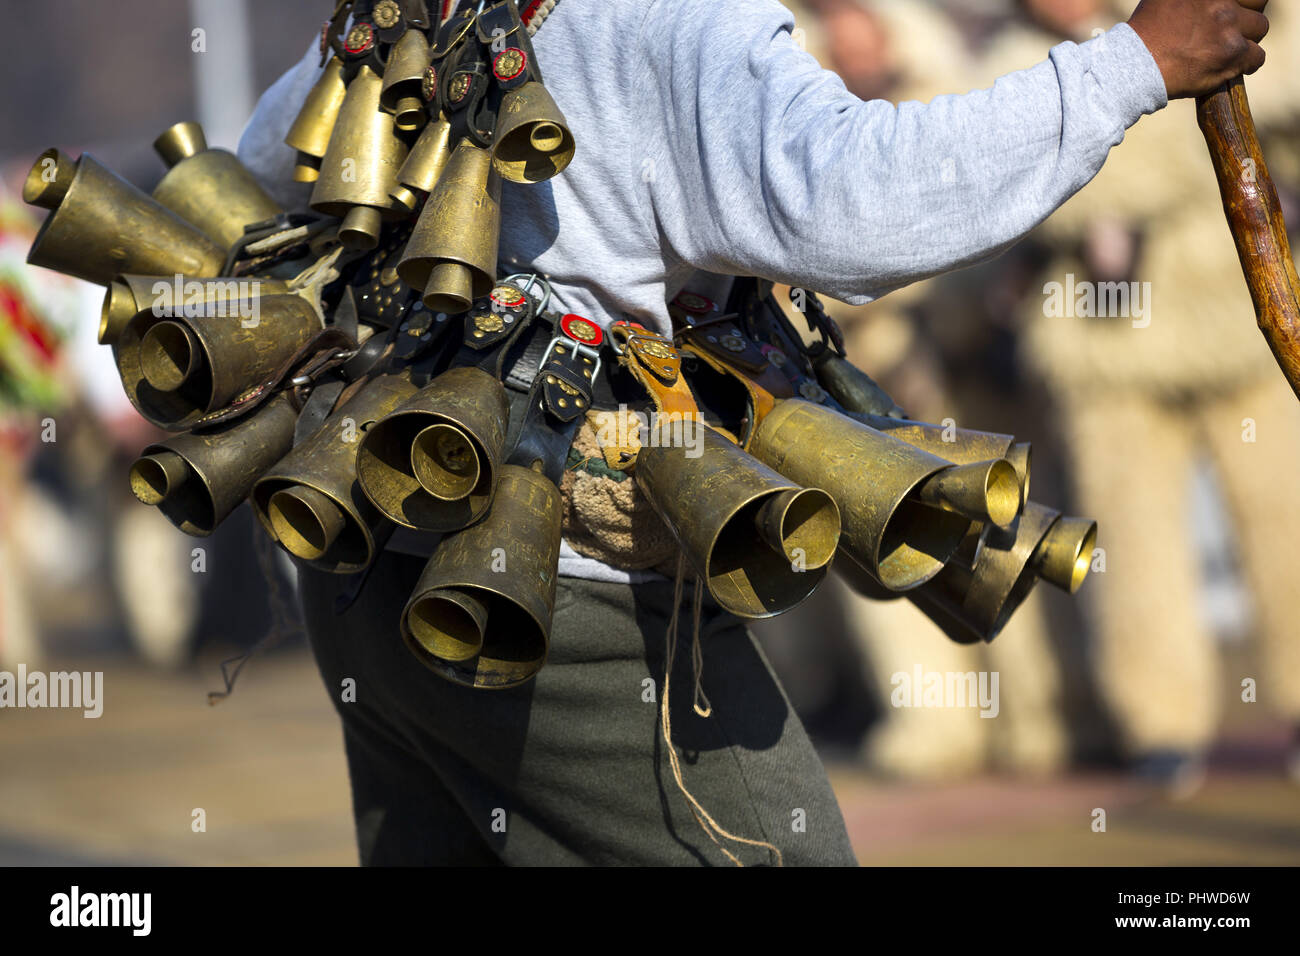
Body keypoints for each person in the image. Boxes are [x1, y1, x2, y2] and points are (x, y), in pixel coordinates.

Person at [238, 0, 1272, 865]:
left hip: (366, 565)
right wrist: (1132, 65)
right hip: (557, 608)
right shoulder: (674, 14)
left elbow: (265, 175)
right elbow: (853, 204)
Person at [982, 0, 1300, 793]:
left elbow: (1279, 85)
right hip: (1103, 348)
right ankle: (1161, 726)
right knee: (1131, 545)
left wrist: (1122, 149)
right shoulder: (1011, 58)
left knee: (1285, 520)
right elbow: (1022, 177)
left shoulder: (1189, 16)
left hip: (1238, 322)